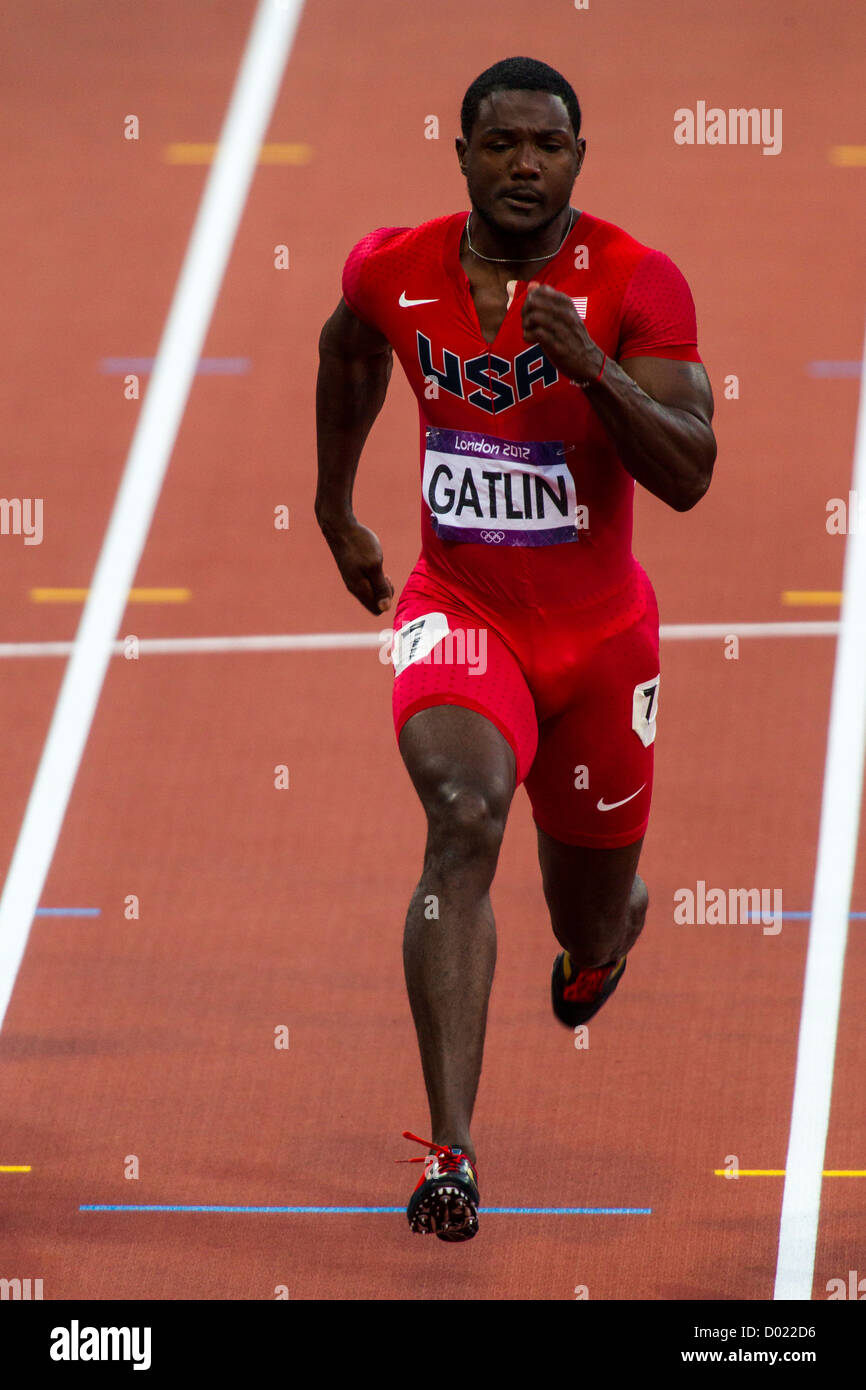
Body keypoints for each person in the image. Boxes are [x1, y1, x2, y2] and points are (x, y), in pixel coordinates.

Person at [315, 56, 716, 1243]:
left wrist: (587, 366)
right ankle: (452, 1151)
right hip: (460, 609)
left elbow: (689, 473)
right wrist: (336, 508)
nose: (523, 164)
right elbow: (345, 350)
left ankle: (602, 940)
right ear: (462, 154)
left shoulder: (639, 282)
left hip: (597, 642)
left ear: (578, 160)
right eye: (499, 145)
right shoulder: (396, 266)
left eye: (547, 145)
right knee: (462, 812)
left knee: (584, 916)